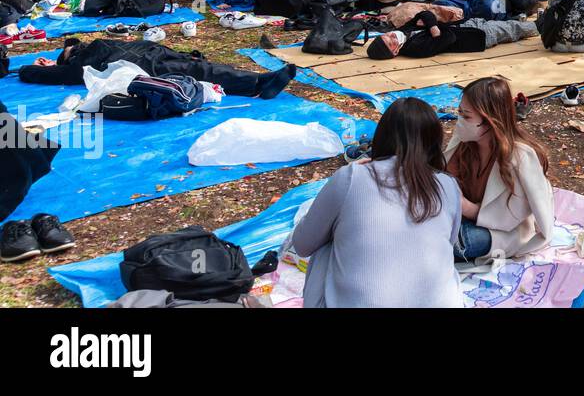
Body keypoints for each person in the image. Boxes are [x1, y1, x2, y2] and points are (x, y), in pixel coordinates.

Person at [291, 97, 462, 308]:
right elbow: (450, 242)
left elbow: (302, 244)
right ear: (434, 143)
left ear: (382, 136)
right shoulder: (448, 185)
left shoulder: (352, 177)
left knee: (327, 243)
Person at [443, 76, 554, 262]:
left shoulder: (520, 157)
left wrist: (467, 207)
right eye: (460, 113)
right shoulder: (464, 141)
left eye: (467, 116)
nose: (460, 121)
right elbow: (443, 178)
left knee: (464, 240)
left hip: (501, 231)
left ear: (490, 120)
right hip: (460, 220)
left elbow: (511, 217)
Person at [19, 37, 298, 100]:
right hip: (146, 66)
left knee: (203, 68)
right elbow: (44, 74)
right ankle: (259, 83)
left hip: (153, 54)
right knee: (202, 73)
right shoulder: (80, 67)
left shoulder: (92, 46)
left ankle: (259, 82)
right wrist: (32, 67)